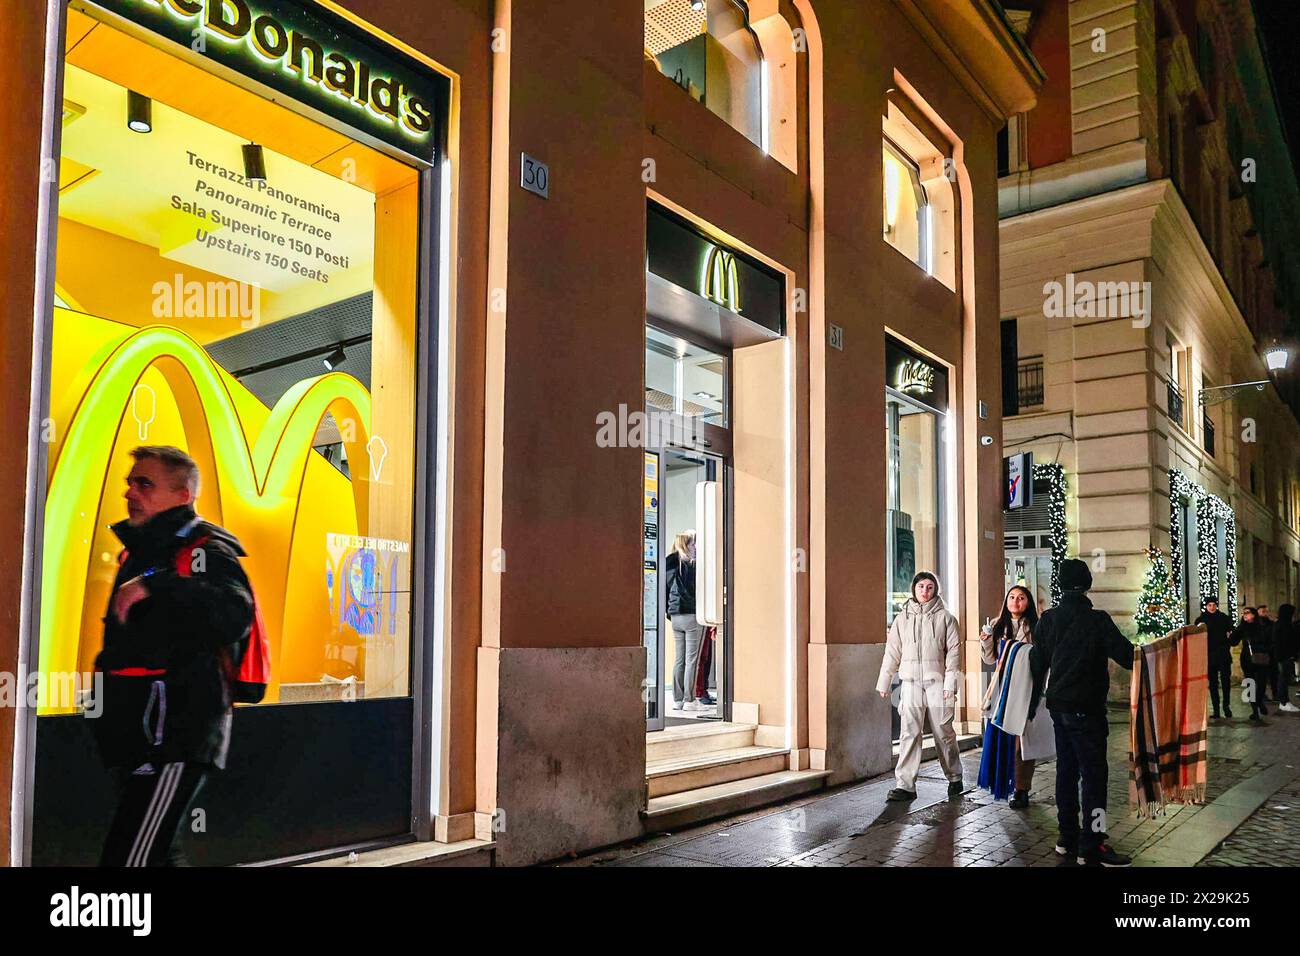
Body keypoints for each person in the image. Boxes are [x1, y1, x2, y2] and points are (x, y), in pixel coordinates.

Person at [94, 446, 255, 866]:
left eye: (145, 483)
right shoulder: (143, 549)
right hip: (141, 736)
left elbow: (234, 613)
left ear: (183, 495)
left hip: (175, 737)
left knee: (129, 859)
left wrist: (154, 585)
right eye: (130, 482)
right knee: (157, 854)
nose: (130, 491)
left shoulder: (205, 548)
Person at [1028, 558, 1133, 867]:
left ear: (1060, 585)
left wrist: (1037, 699)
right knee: (1095, 777)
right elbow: (1128, 656)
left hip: (1058, 707)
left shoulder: (1048, 619)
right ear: (1088, 585)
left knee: (1066, 772)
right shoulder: (1098, 620)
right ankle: (1094, 843)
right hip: (1087, 708)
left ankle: (1066, 837)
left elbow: (1038, 662)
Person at [876, 571, 964, 802]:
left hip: (938, 683)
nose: (925, 591)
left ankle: (955, 777)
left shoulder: (947, 618)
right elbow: (892, 651)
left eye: (930, 587)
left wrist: (950, 685)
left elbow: (955, 654)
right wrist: (885, 681)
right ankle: (905, 785)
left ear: (936, 590)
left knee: (943, 732)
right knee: (909, 733)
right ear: (914, 589)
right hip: (910, 683)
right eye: (921, 587)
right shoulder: (902, 618)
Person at [977, 585, 1040, 808]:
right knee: (1002, 737)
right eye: (1012, 597)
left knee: (1022, 740)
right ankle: (1003, 784)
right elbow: (989, 659)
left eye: (1021, 598)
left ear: (1028, 602)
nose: (1016, 601)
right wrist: (985, 640)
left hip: (1026, 687)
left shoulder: (1036, 626)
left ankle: (1022, 788)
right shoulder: (997, 625)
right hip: (1002, 688)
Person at [665, 530, 709, 711]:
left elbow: (666, 589)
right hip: (691, 616)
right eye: (693, 544)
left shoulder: (671, 563)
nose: (696, 547)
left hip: (675, 616)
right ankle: (690, 700)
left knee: (679, 660)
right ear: (687, 545)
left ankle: (677, 699)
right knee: (692, 660)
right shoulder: (692, 566)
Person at [1194, 599, 1235, 719]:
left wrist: (1228, 638)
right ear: (1206, 606)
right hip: (1210, 654)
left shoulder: (1224, 618)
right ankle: (1216, 709)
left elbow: (1231, 631)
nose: (1212, 607)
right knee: (1213, 684)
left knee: (1226, 682)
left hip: (1223, 653)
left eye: (1214, 605)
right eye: (1209, 605)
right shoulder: (1201, 620)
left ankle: (1226, 706)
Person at [1232, 607, 1269, 722]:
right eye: (1243, 613)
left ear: (1253, 614)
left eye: (1247, 613)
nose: (1244, 615)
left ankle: (1259, 702)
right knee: (1251, 684)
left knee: (1262, 684)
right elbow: (1233, 642)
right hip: (1247, 660)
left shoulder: (1262, 626)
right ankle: (1255, 711)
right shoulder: (1242, 627)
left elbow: (1269, 641)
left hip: (1262, 658)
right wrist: (1232, 634)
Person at [1275, 604, 1298, 712]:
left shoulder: (1283, 624)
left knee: (1284, 679)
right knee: (1283, 679)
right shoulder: (1283, 625)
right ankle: (1283, 702)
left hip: (1285, 656)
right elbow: (1283, 642)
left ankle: (1284, 701)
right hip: (1284, 656)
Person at [1256, 605, 1278, 702]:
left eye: (1265, 611)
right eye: (1262, 611)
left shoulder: (1271, 624)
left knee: (1274, 675)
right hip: (1261, 653)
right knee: (1261, 676)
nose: (1264, 613)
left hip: (1271, 652)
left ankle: (1275, 694)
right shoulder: (1255, 625)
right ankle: (1261, 694)